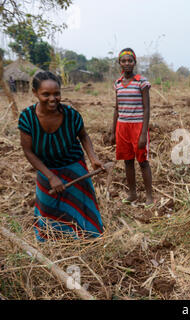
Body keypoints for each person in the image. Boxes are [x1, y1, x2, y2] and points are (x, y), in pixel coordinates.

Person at [18, 71, 105, 242]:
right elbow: (28, 151)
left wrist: (93, 158)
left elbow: (84, 136)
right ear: (35, 93)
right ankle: (54, 239)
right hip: (46, 168)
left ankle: (87, 237)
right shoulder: (27, 118)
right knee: (49, 207)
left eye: (56, 93)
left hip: (73, 165)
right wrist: (50, 176)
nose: (52, 98)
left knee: (82, 206)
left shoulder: (71, 115)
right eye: (46, 94)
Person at [110, 48, 154, 207]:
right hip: (122, 127)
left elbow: (147, 108)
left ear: (134, 63)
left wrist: (143, 133)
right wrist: (112, 130)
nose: (127, 63)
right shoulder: (117, 84)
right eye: (124, 61)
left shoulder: (141, 82)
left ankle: (149, 196)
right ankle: (132, 193)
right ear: (119, 63)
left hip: (137, 127)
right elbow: (117, 108)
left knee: (143, 161)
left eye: (130, 61)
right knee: (127, 161)